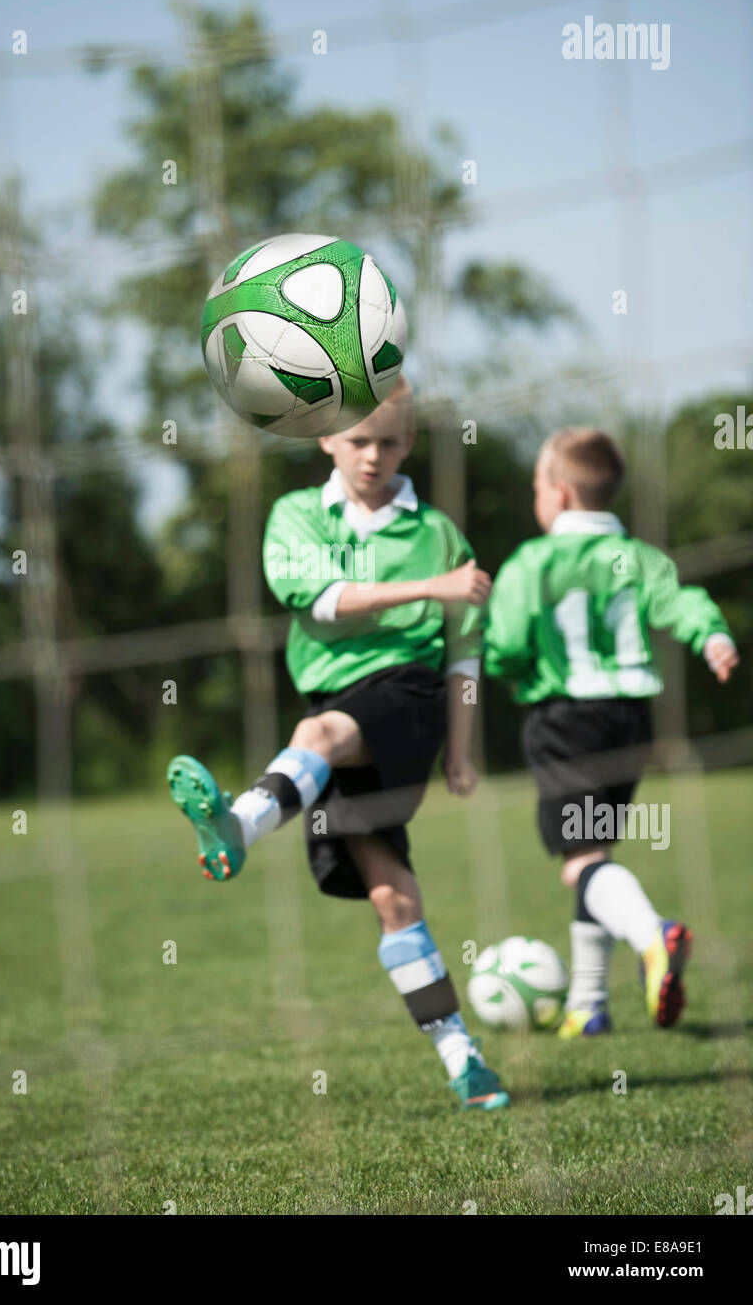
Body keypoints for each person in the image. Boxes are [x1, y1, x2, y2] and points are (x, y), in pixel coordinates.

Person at [168, 376, 509, 1110]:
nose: (373, 456)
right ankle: (464, 1059)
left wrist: (460, 748)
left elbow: (464, 656)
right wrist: (431, 588)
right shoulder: (297, 517)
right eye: (359, 441)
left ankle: (240, 825)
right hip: (335, 724)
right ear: (326, 437)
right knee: (393, 897)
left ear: (410, 442)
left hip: (406, 698)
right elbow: (319, 599)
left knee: (313, 733)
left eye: (389, 441)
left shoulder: (439, 535)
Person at [484, 427, 739, 1036]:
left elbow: (506, 645)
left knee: (580, 861)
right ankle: (588, 1005)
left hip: (566, 720)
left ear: (561, 494)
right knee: (595, 853)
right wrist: (714, 636)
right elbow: (681, 601)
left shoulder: (534, 561)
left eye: (538, 487)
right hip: (630, 721)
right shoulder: (640, 557)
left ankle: (654, 938)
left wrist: (507, 670)